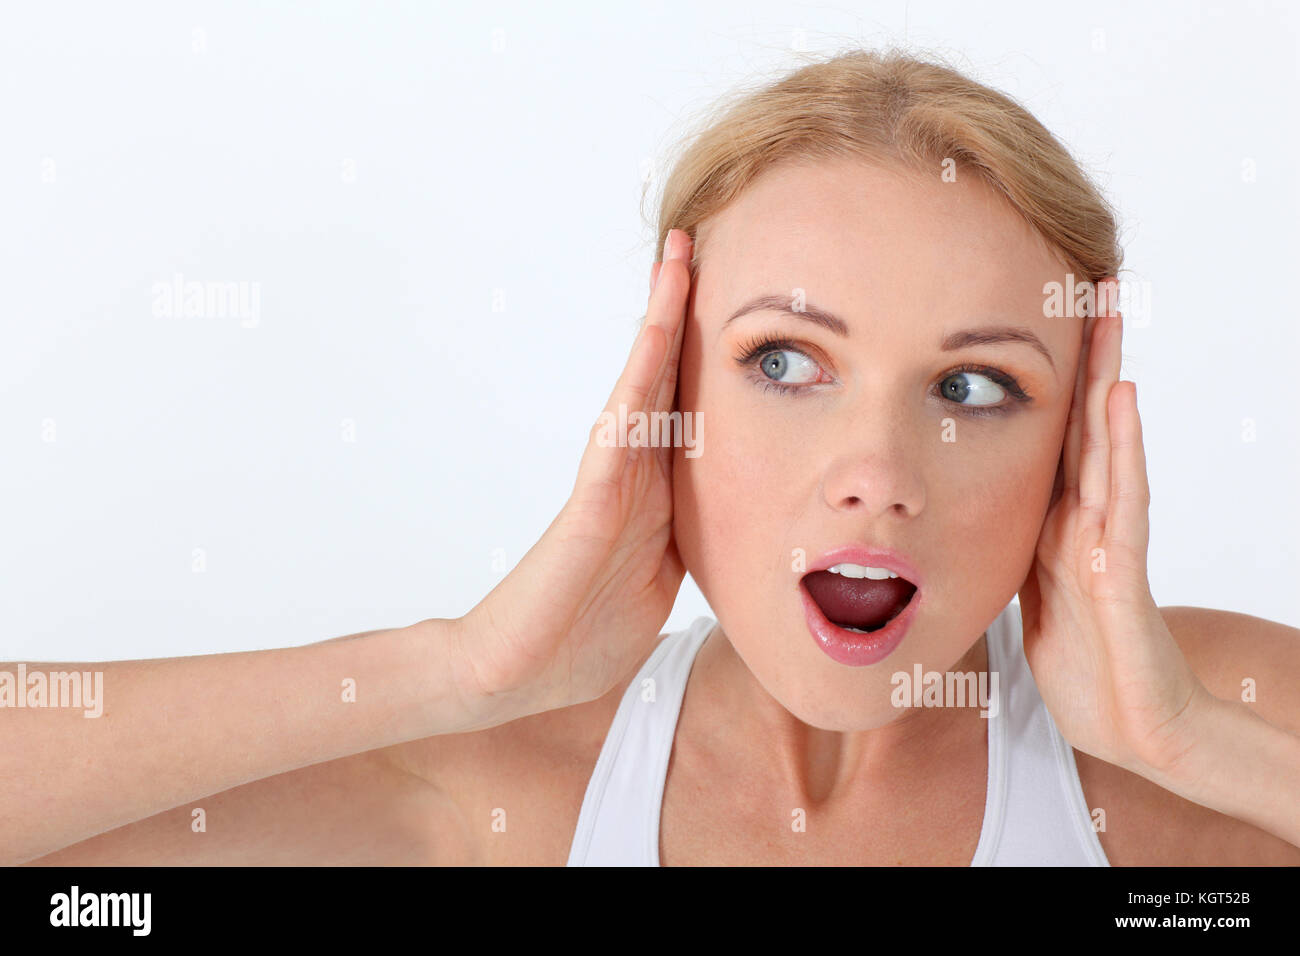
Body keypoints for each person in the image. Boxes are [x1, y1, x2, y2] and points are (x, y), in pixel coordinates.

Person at [7, 48, 1299, 867]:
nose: (875, 471)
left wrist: (1199, 747)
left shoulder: (1210, 734)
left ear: (1076, 453)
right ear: (666, 401)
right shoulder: (511, 786)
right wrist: (452, 667)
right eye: (785, 361)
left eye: (974, 386)